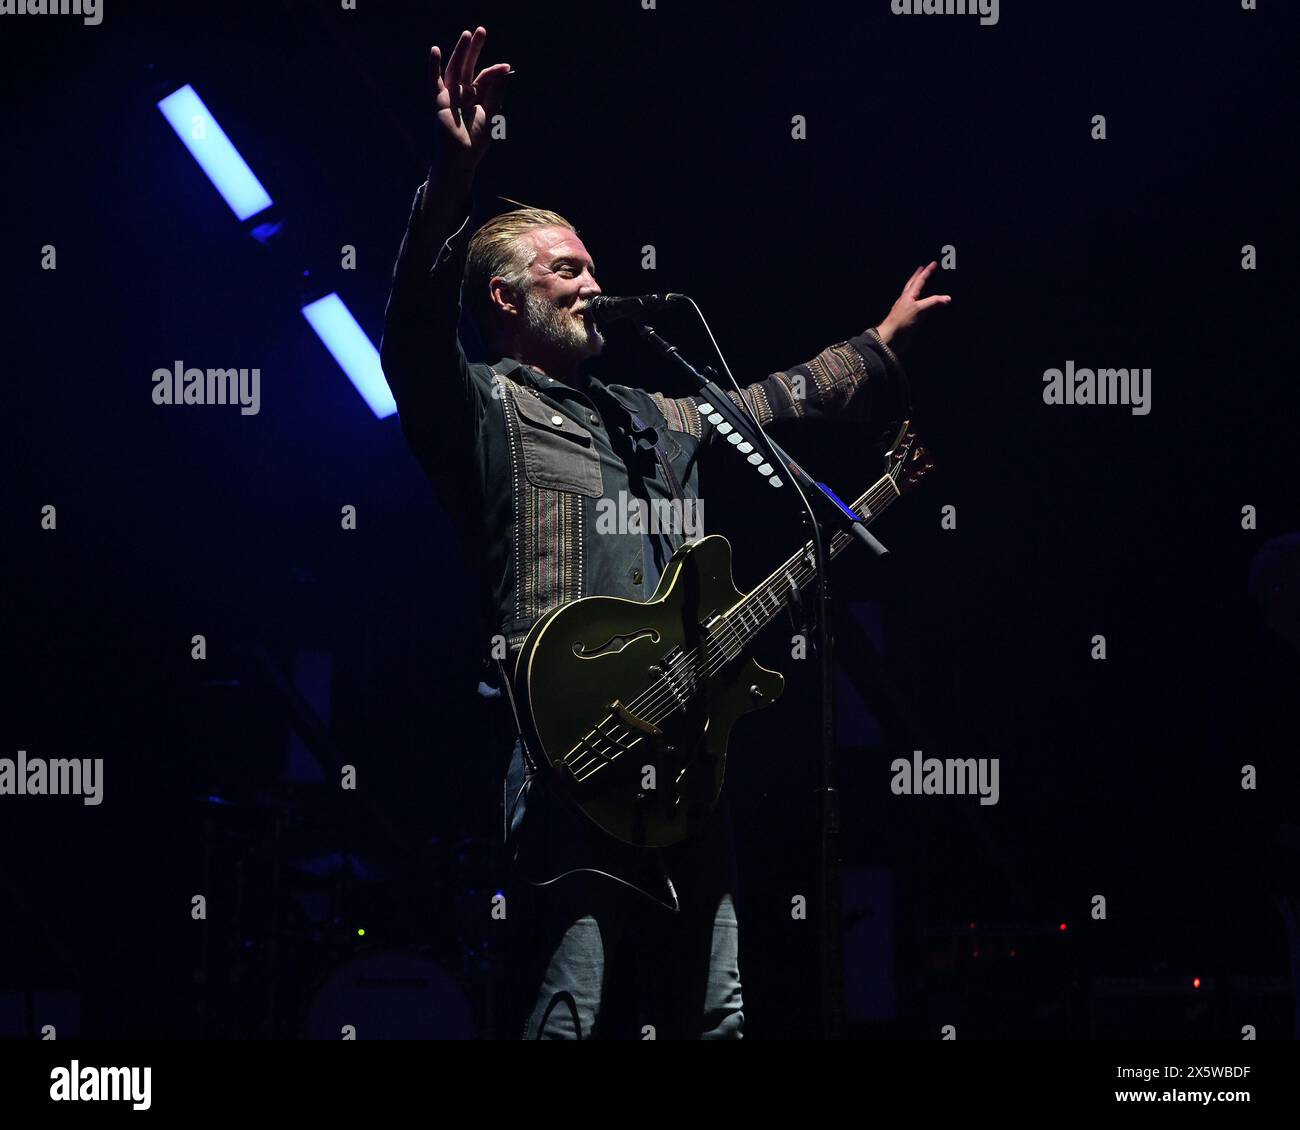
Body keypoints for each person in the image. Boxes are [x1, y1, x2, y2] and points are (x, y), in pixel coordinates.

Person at [379, 25, 949, 1039]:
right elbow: (415, 331)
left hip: (685, 762)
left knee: (718, 1016)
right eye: (566, 268)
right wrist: (451, 178)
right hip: (573, 761)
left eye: (594, 263)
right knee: (571, 1011)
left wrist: (877, 346)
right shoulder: (482, 407)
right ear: (507, 297)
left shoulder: (650, 412)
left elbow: (768, 400)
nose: (591, 280)